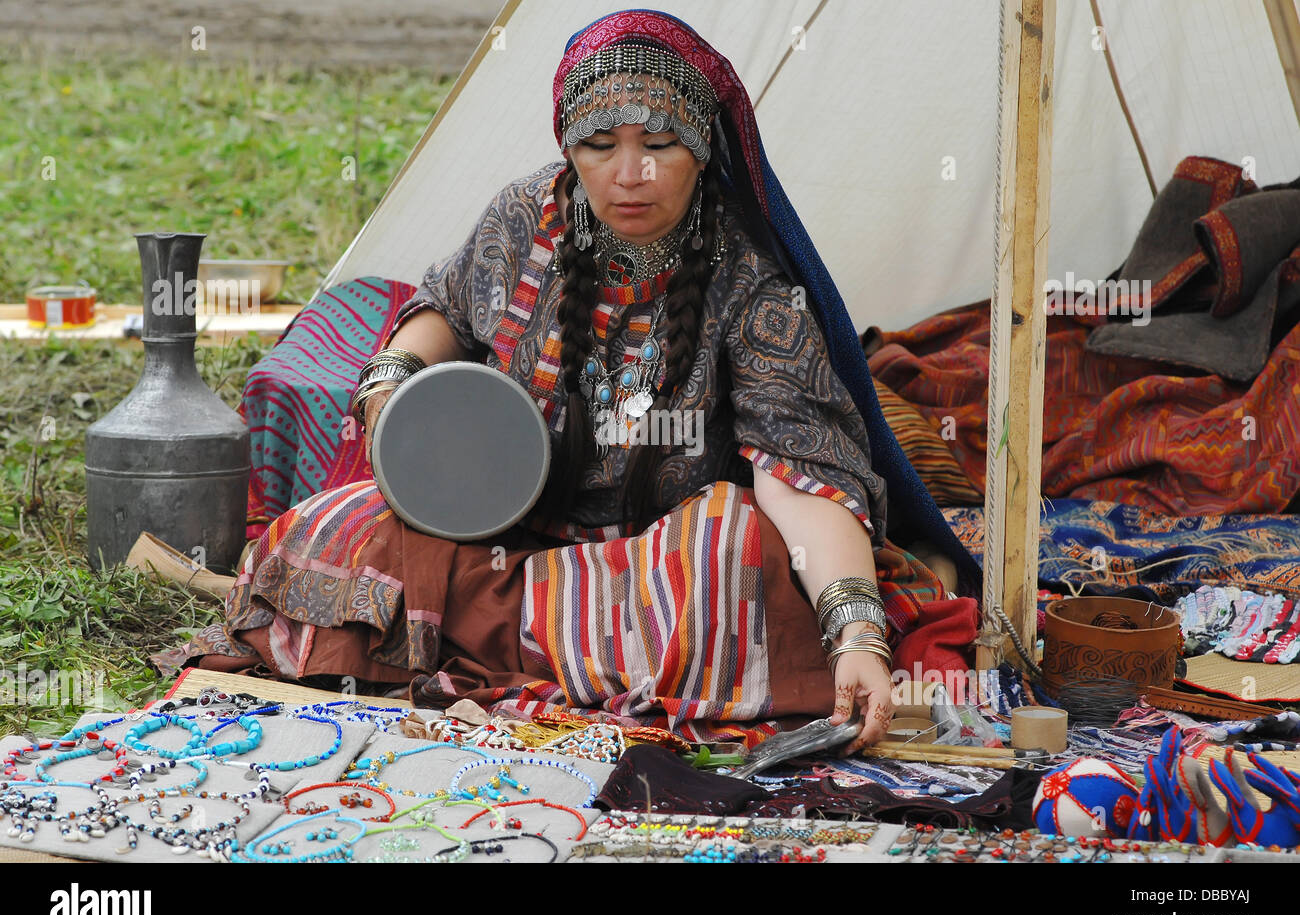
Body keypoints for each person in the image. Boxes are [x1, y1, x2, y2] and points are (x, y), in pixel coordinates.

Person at [188, 9, 975, 750]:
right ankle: (567, 638)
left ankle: (497, 634)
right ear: (568, 144)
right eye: (601, 144)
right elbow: (446, 311)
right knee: (326, 534)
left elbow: (799, 479)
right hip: (501, 533)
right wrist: (394, 382)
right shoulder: (522, 215)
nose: (630, 174)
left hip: (660, 559)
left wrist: (858, 634)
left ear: (702, 147)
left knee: (738, 549)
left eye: (660, 143)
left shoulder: (753, 285)